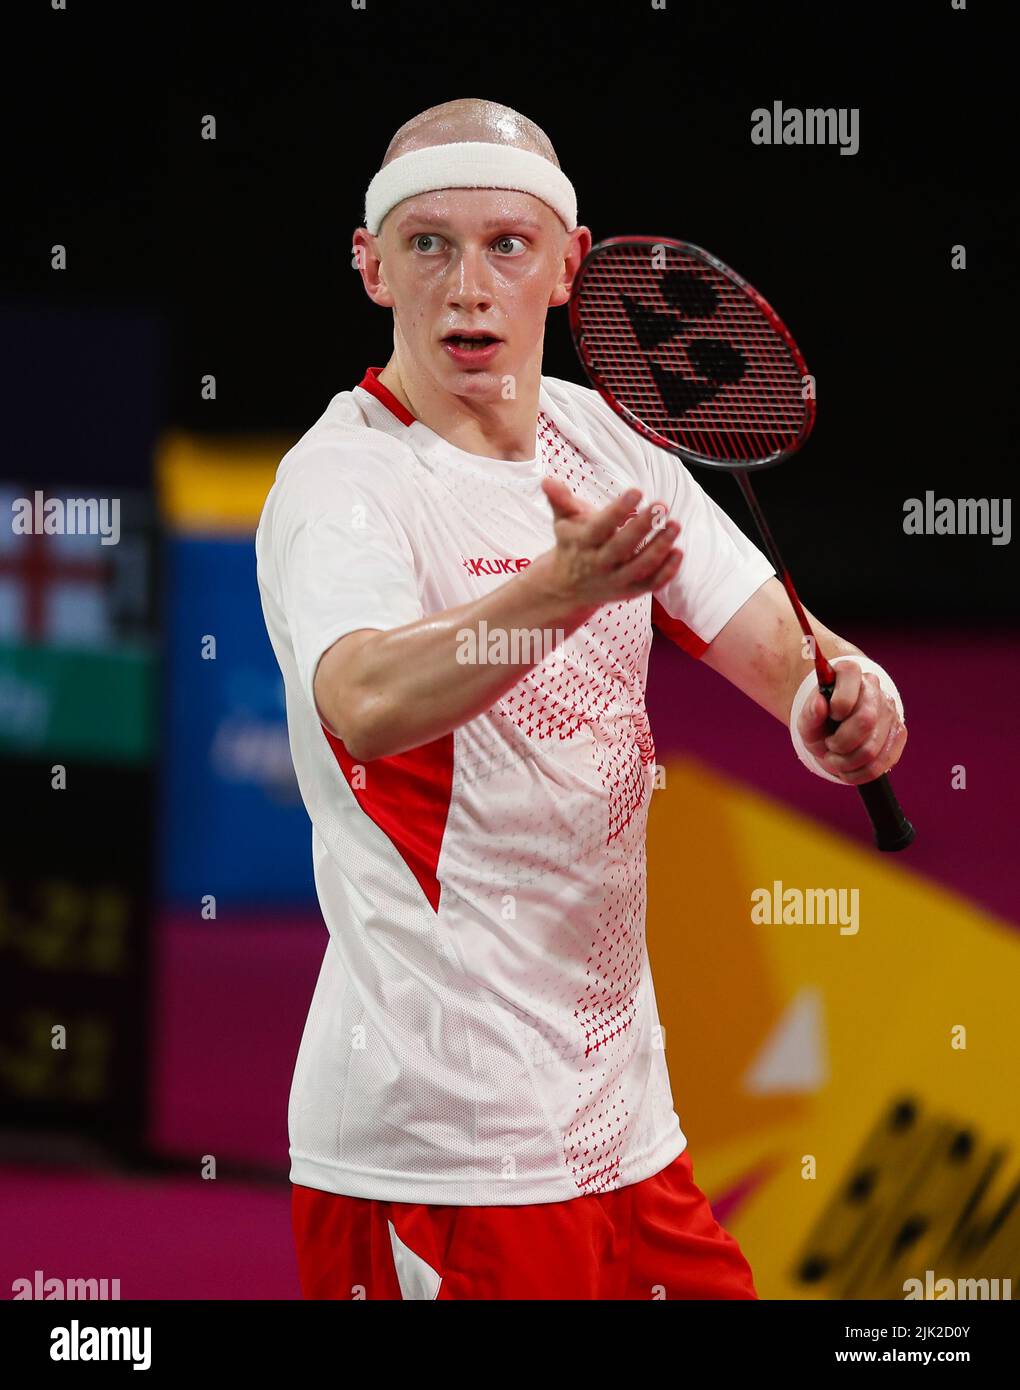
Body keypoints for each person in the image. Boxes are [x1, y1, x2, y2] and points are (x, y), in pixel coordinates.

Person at [254, 97, 908, 1300]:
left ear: (568, 267)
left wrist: (852, 702)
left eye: (507, 244)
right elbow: (363, 700)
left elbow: (786, 653)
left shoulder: (610, 440)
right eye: (428, 244)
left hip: (623, 1125)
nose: (466, 288)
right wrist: (554, 593)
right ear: (370, 265)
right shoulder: (343, 481)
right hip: (442, 1147)